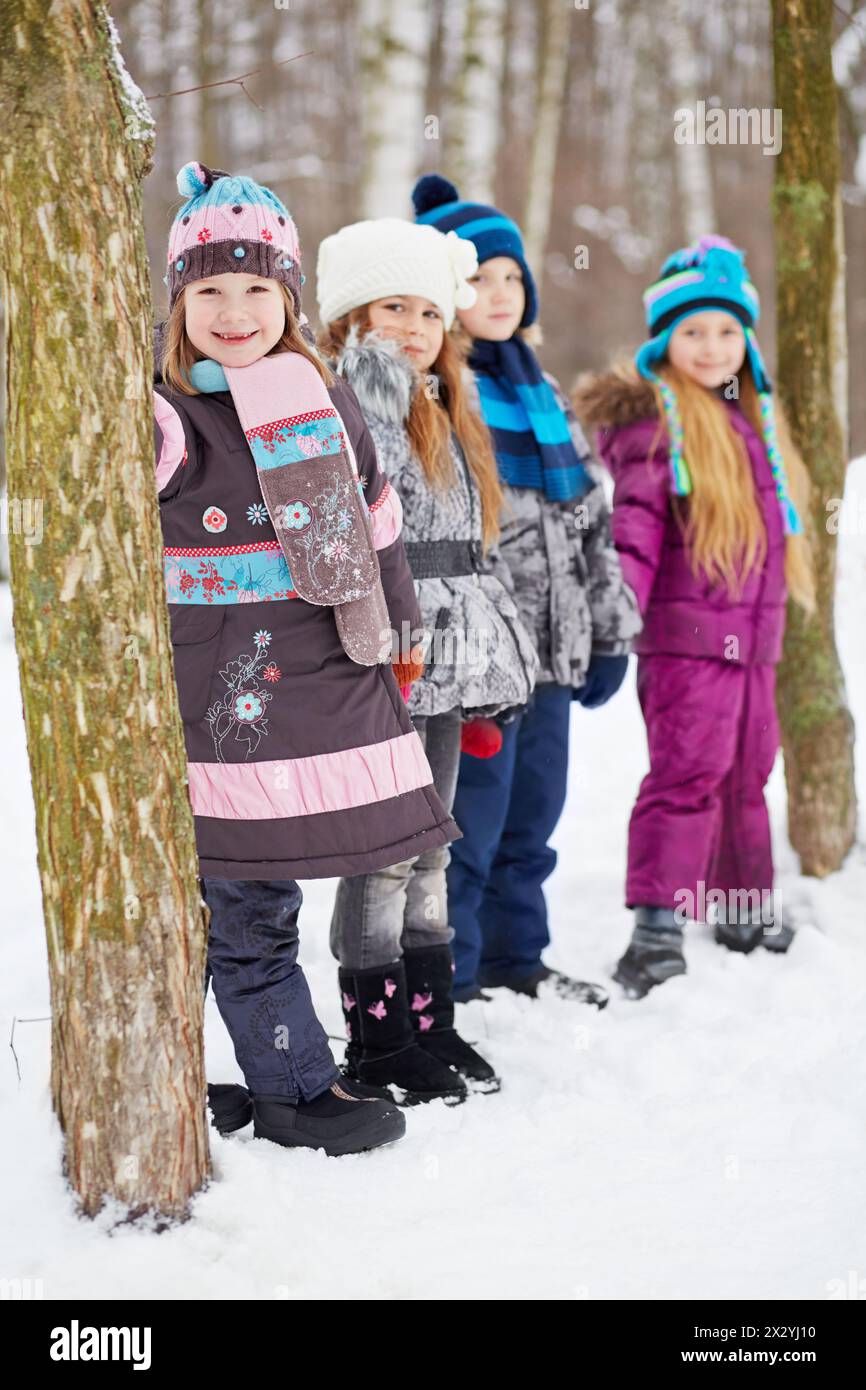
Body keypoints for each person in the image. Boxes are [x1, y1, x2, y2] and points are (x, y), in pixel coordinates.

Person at [152, 160, 458, 1151]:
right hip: (219, 701)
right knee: (243, 894)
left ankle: (277, 1068)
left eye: (255, 288)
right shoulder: (164, 414)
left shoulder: (325, 404)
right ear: (179, 300)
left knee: (275, 883)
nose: (233, 310)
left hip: (320, 679)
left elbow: (378, 534)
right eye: (209, 290)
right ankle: (288, 1087)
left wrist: (399, 649)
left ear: (286, 298)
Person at [316, 216, 539, 1100]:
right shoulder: (355, 402)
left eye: (427, 311)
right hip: (384, 654)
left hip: (448, 656)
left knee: (433, 843)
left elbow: (473, 546)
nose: (412, 327)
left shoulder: (447, 405)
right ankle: (375, 1040)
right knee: (384, 849)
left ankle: (427, 1018)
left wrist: (493, 660)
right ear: (351, 318)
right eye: (390, 307)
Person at [412, 175, 640, 1005]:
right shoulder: (441, 392)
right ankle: (455, 975)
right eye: (478, 279)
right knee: (468, 825)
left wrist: (611, 634)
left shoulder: (543, 394)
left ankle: (517, 957)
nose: (500, 294)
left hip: (554, 652)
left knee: (532, 819)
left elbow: (591, 524)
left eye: (512, 278)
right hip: (475, 665)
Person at [574, 234, 815, 998]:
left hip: (754, 646)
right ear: (663, 343)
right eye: (691, 332)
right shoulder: (657, 427)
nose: (712, 347)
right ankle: (655, 926)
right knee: (687, 775)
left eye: (726, 330)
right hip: (686, 645)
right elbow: (636, 533)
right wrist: (618, 613)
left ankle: (741, 906)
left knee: (748, 774)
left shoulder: (752, 422)